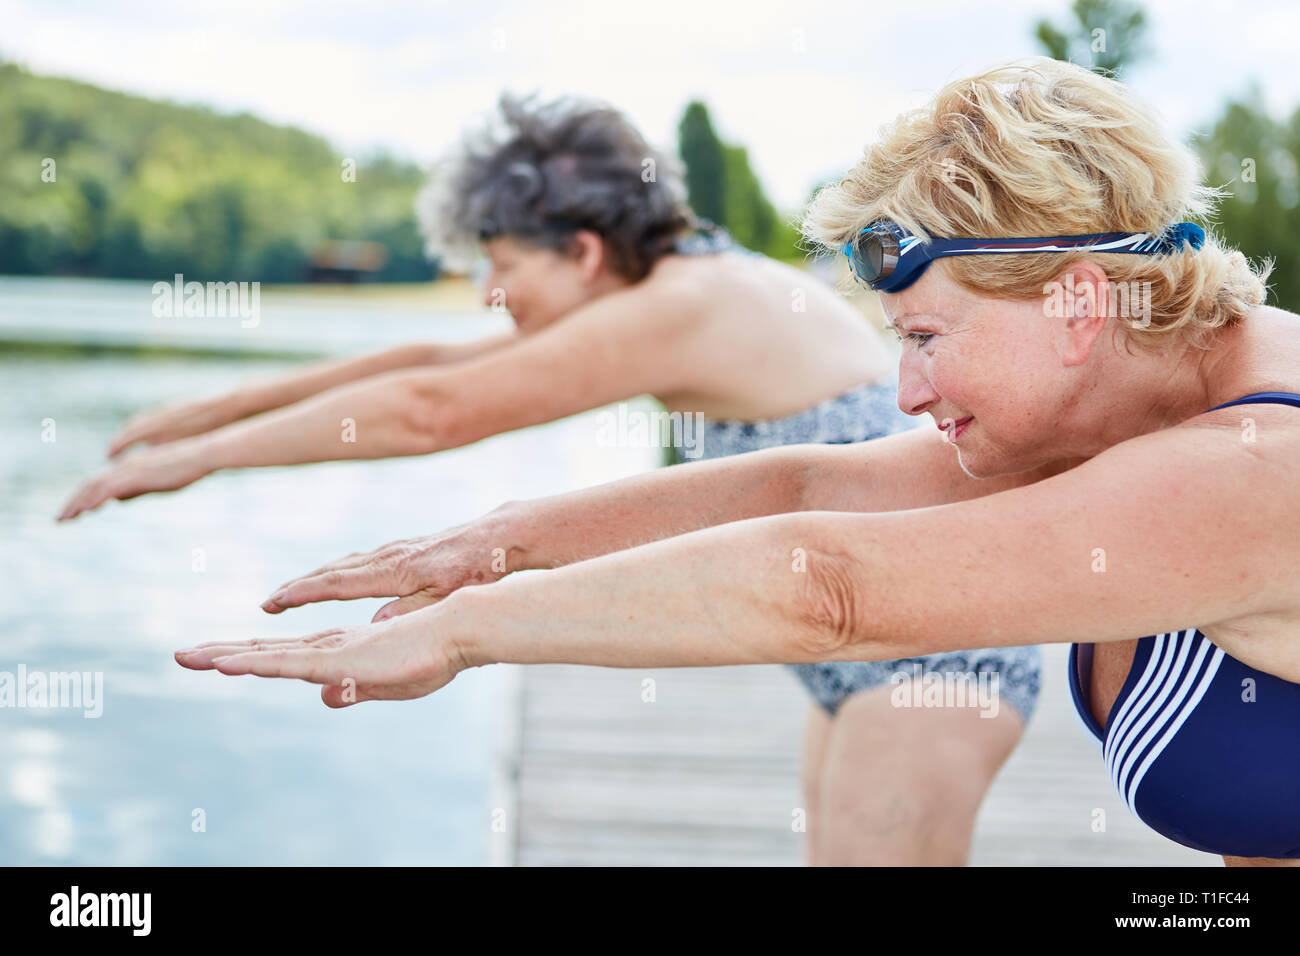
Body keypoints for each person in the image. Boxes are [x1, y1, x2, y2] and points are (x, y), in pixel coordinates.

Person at [174, 57, 1300, 866]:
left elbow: (827, 587)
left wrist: (468, 633)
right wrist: (490, 543)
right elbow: (802, 484)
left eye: (923, 337)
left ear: (1076, 301)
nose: (904, 391)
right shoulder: (1128, 396)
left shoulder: (1252, 471)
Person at [61, 92, 1042, 864]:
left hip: (930, 655)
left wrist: (198, 460)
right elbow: (434, 365)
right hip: (862, 648)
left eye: (501, 264)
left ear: (580, 250)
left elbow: (435, 412)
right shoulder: (690, 281)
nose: (492, 294)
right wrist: (208, 413)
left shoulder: (688, 302)